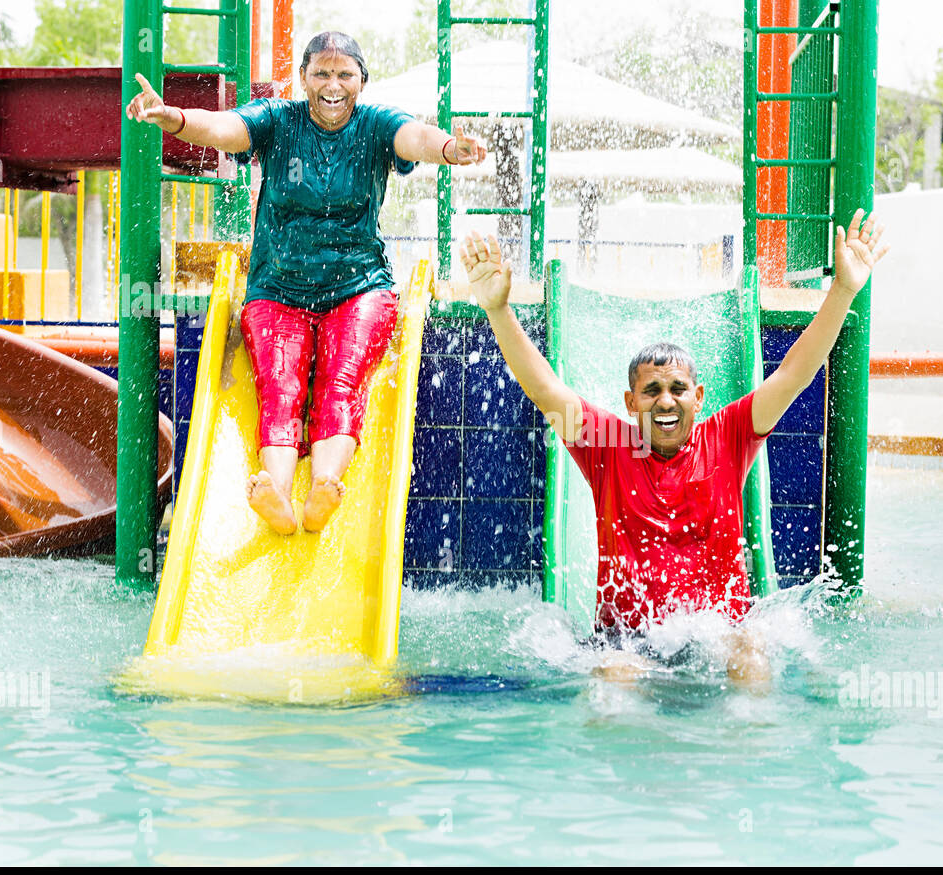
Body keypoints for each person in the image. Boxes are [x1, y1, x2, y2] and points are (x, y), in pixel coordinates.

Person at [459, 210, 888, 684]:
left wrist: (844, 290)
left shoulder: (730, 436)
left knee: (750, 656)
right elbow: (545, 391)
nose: (666, 400)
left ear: (698, 398)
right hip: (628, 639)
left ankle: (752, 746)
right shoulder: (606, 446)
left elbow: (793, 374)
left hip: (717, 634)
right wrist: (497, 309)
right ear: (630, 401)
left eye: (678, 388)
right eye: (652, 390)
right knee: (613, 675)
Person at [126, 31, 487, 534]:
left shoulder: (375, 124)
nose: (332, 85)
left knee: (341, 378)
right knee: (279, 383)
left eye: (344, 74)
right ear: (303, 79)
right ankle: (273, 491)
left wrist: (449, 148)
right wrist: (177, 119)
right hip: (278, 290)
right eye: (321, 73)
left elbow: (415, 138)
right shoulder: (278, 120)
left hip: (358, 288)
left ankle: (323, 485)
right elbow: (227, 129)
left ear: (362, 79)